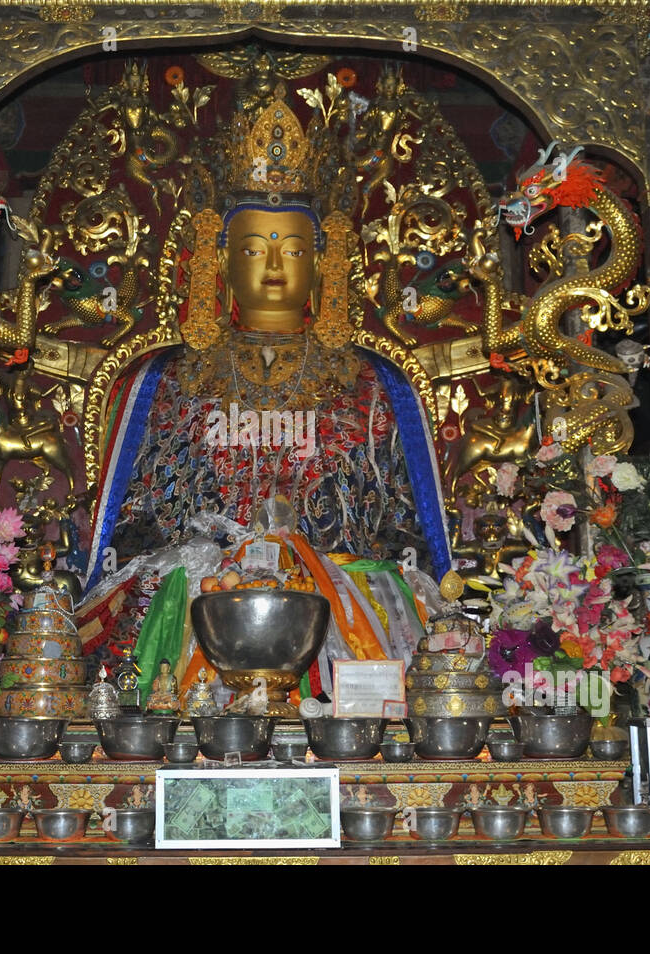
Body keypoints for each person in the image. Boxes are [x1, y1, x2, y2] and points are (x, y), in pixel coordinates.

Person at [84, 85, 450, 592]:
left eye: (294, 251)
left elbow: (401, 531)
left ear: (324, 260)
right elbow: (134, 528)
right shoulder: (164, 380)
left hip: (339, 608)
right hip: (200, 604)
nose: (274, 266)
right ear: (220, 257)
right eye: (255, 249)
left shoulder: (372, 383)